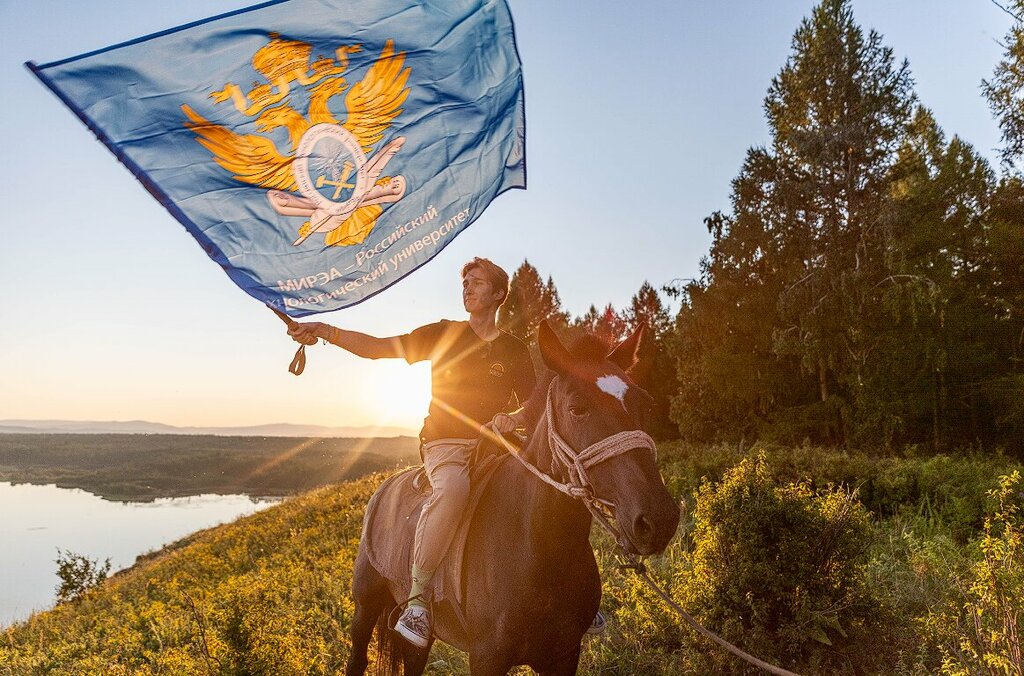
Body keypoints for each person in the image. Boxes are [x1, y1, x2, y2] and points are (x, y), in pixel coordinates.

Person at [286, 257, 535, 648]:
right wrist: (325, 330)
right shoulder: (444, 334)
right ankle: (418, 602)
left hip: (498, 446)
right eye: (465, 281)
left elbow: (537, 403)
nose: (467, 287)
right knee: (452, 491)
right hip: (446, 444)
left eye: (477, 282)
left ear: (499, 294)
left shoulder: (514, 349)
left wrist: (513, 417)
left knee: (549, 482)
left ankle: (566, 589)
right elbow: (378, 349)